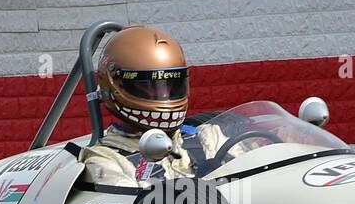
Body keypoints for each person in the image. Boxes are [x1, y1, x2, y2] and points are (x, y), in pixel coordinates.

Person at [80, 25, 253, 187]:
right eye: (149, 87)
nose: (164, 96)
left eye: (171, 86)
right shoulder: (105, 159)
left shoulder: (209, 137)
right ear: (115, 86)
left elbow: (257, 183)